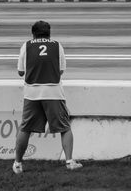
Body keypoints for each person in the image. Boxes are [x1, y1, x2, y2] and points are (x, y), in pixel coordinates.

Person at [12, 20, 82, 174]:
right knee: (64, 127)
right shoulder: (57, 45)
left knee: (25, 129)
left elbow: (20, 72)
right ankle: (69, 161)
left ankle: (17, 163)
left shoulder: (26, 45)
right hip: (54, 92)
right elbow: (61, 70)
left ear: (33, 33)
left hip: (32, 93)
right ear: (49, 33)